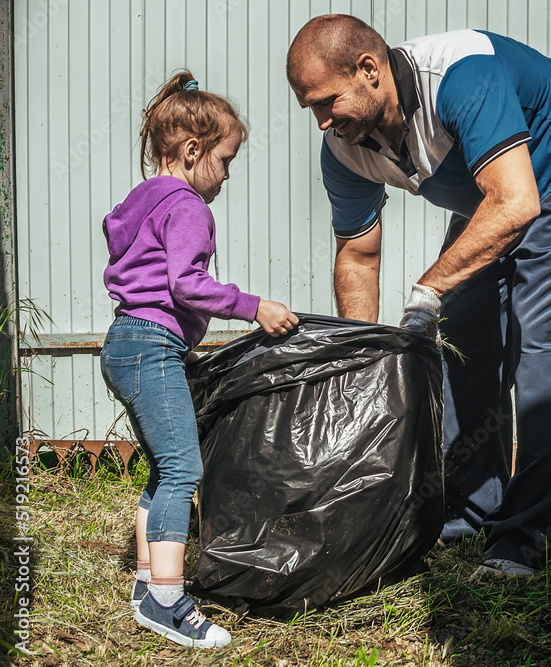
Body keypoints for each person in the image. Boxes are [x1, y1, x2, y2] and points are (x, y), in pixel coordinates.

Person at [286, 16, 551, 577]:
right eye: (312, 109)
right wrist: (363, 352)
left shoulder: (462, 77)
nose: (321, 120)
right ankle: (470, 510)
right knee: (462, 340)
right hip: (492, 196)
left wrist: (427, 291)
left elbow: (516, 203)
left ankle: (524, 537)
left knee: (545, 349)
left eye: (327, 102)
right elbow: (358, 255)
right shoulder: (344, 147)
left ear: (369, 71)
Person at [100, 70, 298, 647]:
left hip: (126, 344)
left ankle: (145, 583)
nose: (228, 175)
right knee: (184, 469)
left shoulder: (140, 202)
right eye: (226, 160)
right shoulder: (186, 205)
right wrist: (253, 305)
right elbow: (186, 284)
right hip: (153, 344)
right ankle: (167, 601)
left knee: (166, 467)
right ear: (192, 152)